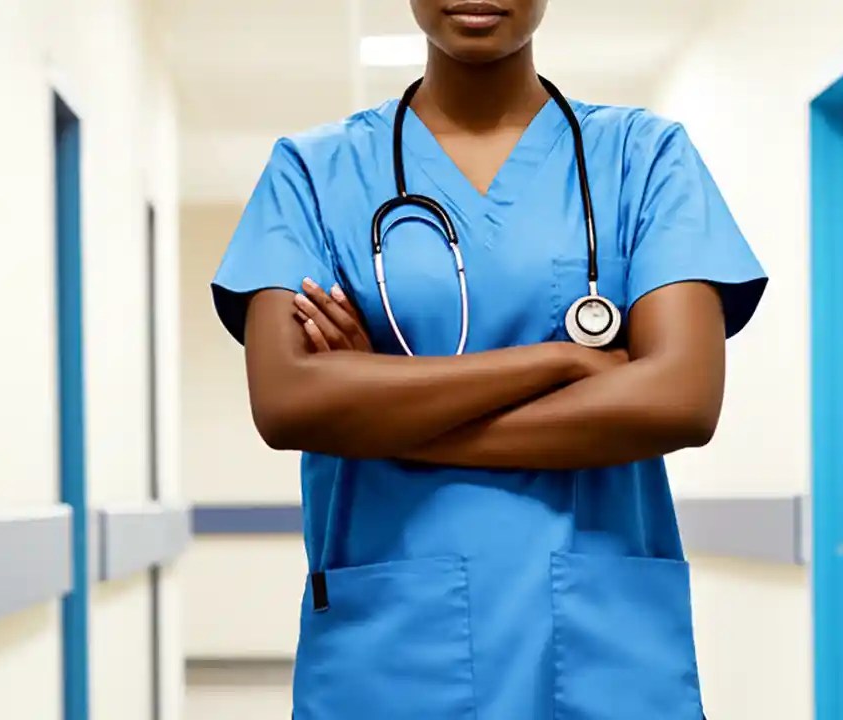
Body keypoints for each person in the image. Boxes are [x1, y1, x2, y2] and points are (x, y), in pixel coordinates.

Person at [210, 1, 766, 717]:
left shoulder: (644, 158)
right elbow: (288, 404)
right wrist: (558, 364)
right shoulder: (313, 172)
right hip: (393, 659)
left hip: (601, 654)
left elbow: (681, 400)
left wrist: (383, 407)